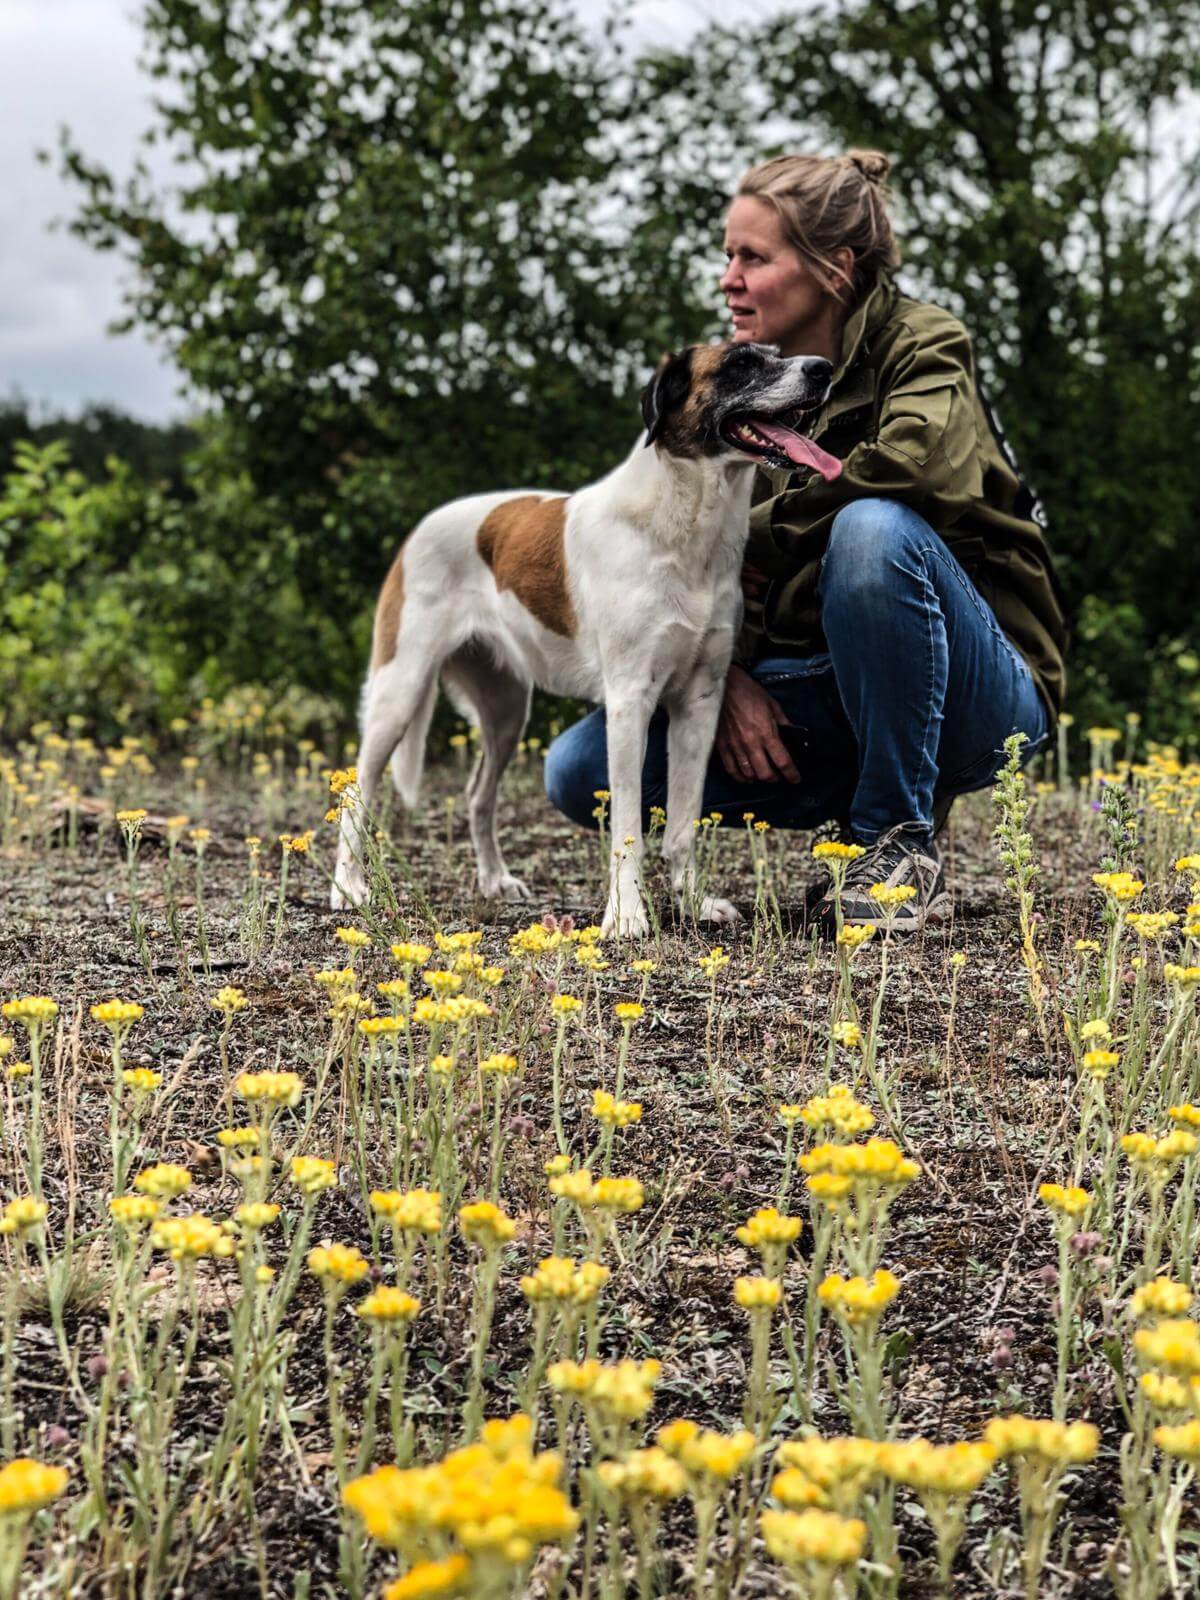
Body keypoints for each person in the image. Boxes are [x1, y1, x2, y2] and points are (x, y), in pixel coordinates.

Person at [544, 150, 1067, 934]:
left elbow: (908, 470)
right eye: (727, 256)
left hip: (980, 697)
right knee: (578, 770)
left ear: (834, 267)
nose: (729, 279)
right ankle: (864, 807)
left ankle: (895, 837)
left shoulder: (927, 344)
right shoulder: (743, 400)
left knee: (871, 535)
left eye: (753, 257)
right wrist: (726, 680)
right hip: (824, 687)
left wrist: (758, 534)